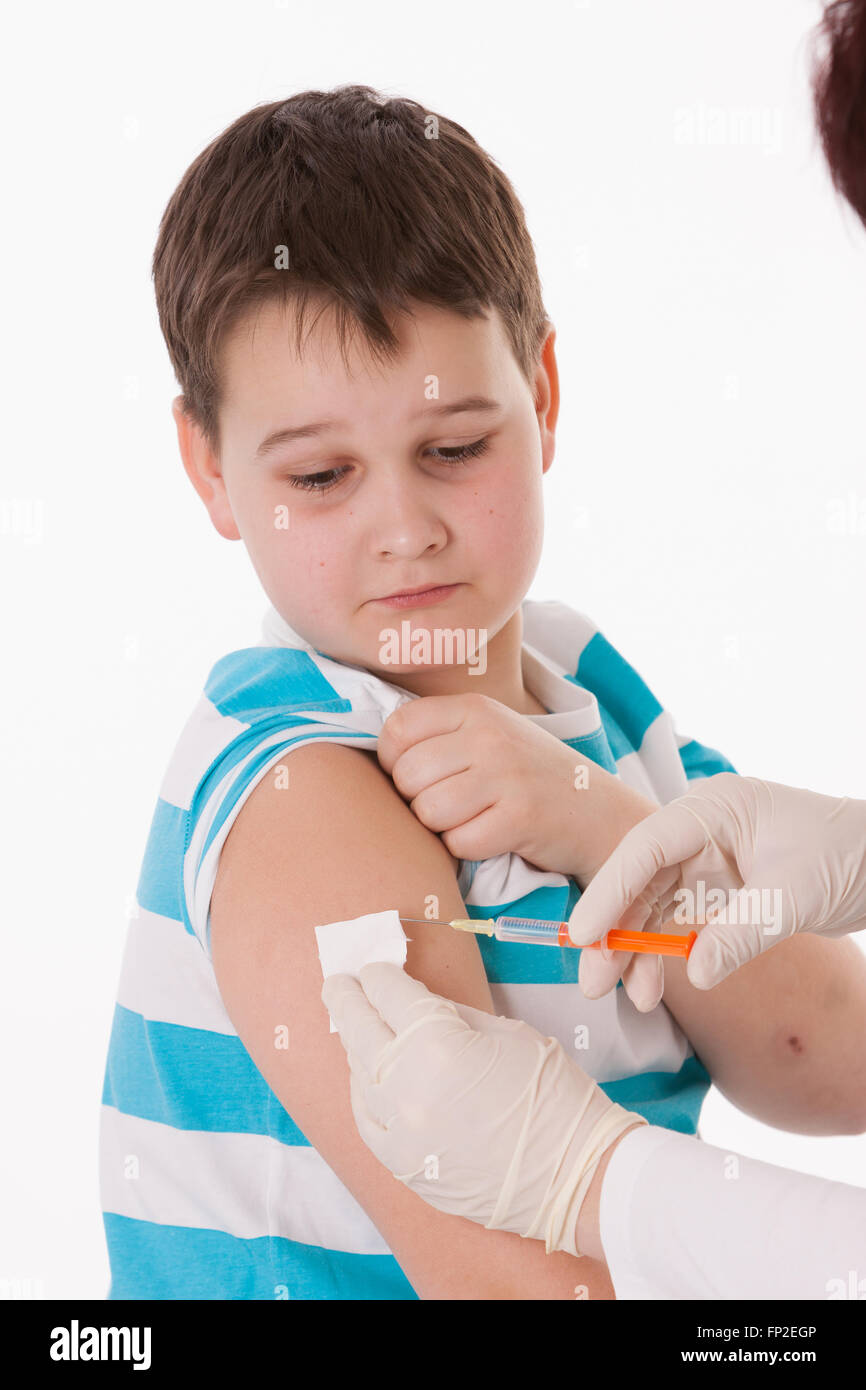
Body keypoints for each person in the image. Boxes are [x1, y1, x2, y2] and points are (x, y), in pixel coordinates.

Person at [322, 2, 866, 1298]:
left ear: (543, 395)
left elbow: (832, 1056)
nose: (404, 528)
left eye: (454, 446)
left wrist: (590, 1177)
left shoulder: (596, 701)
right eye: (323, 472)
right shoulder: (300, 760)